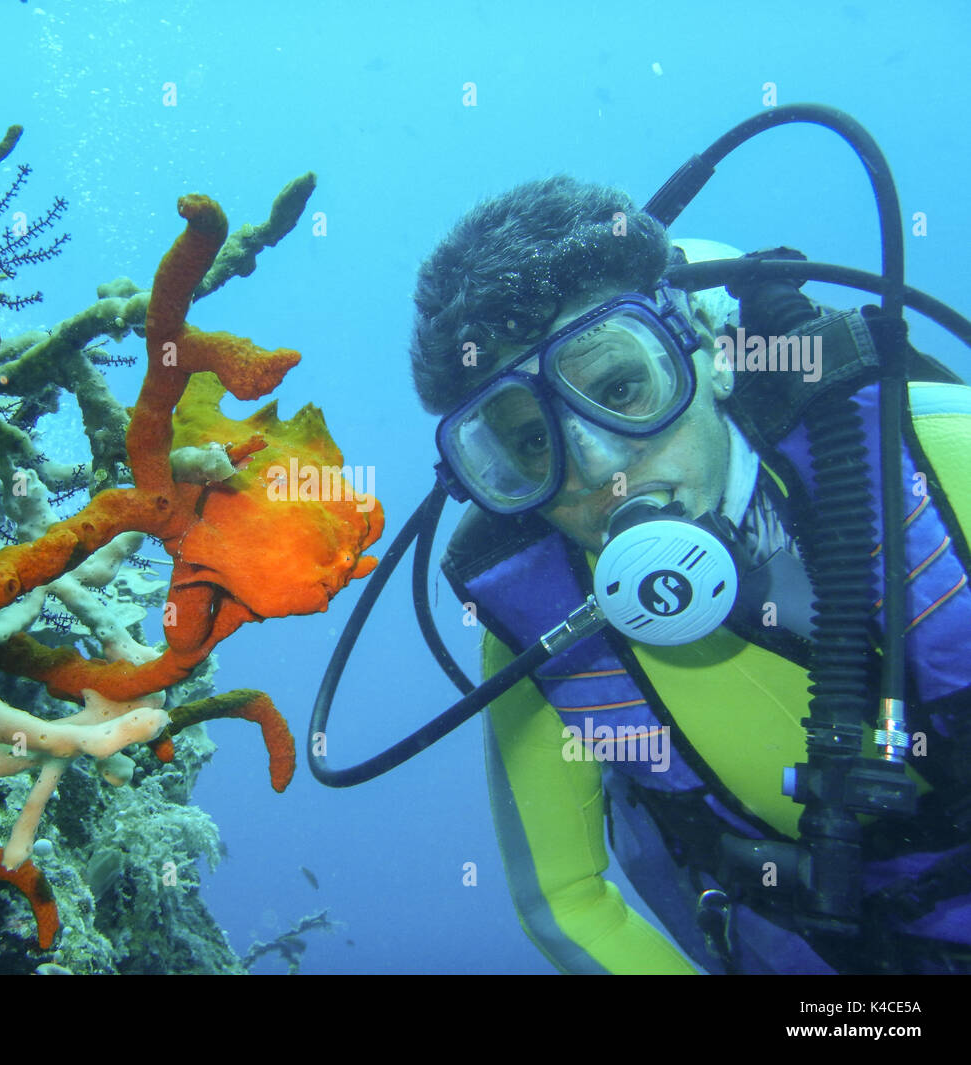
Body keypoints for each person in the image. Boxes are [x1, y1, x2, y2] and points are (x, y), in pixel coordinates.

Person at [409, 174, 971, 974]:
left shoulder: (943, 459)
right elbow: (564, 897)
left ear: (701, 346)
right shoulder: (542, 633)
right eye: (534, 444)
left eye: (620, 388)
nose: (600, 465)